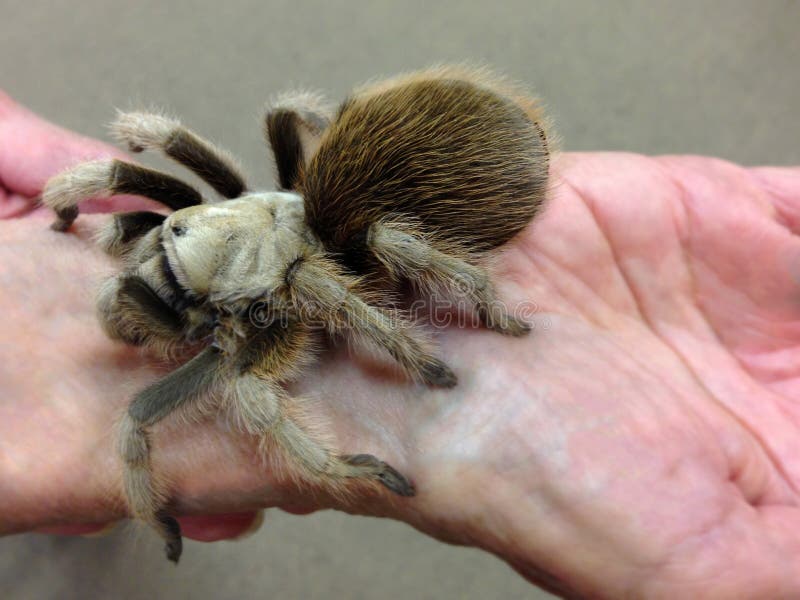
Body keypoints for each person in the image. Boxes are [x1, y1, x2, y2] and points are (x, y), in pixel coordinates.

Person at [1, 88, 799, 598]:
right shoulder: (210, 208)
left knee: (233, 384)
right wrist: (66, 215)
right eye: (157, 248)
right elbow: (189, 128)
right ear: (171, 223)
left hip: (392, 208)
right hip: (330, 193)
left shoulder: (307, 276)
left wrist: (419, 352)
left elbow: (171, 405)